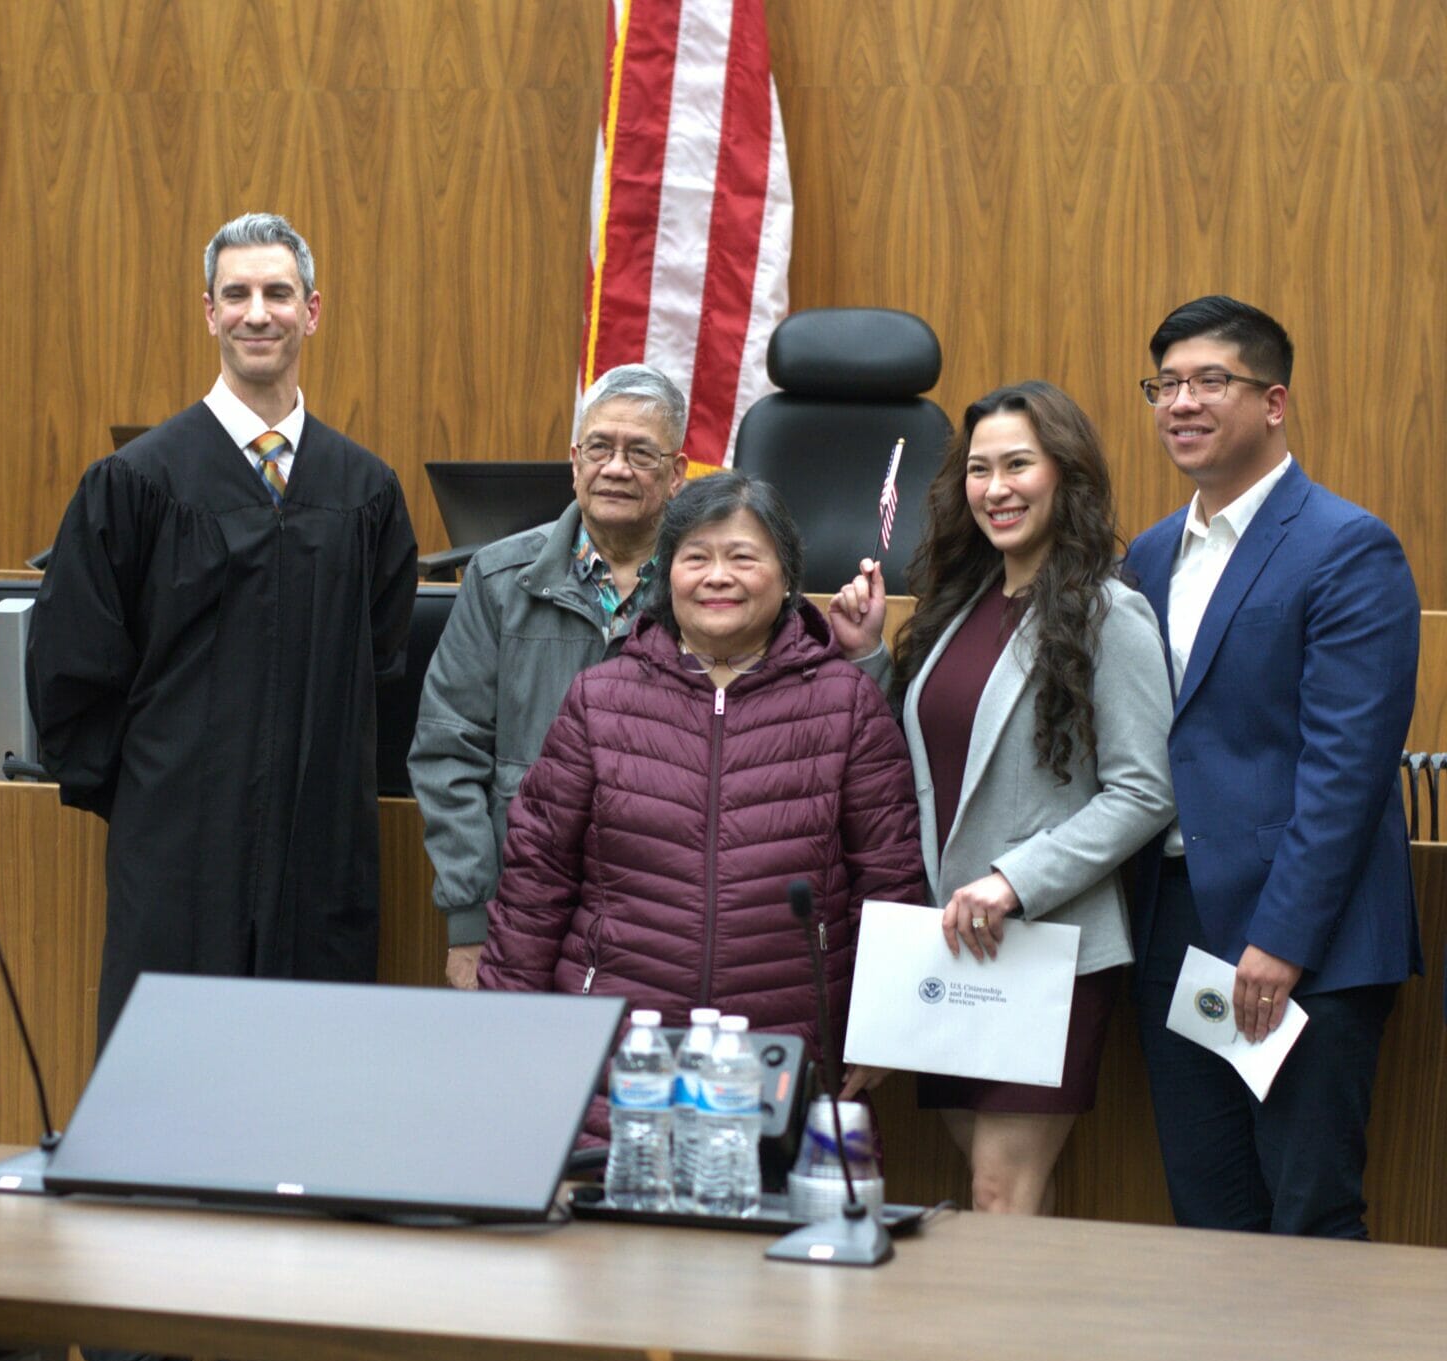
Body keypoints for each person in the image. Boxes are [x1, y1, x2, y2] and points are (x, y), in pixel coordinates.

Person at [27, 216, 414, 1361]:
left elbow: (383, 667)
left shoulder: (363, 490)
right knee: (161, 1114)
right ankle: (139, 1351)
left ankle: (285, 1359)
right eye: (235, 293)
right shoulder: (137, 483)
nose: (257, 312)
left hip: (317, 862)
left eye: (278, 292)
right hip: (176, 865)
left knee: (302, 1119)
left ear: (313, 310)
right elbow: (71, 685)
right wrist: (166, 808)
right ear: (206, 312)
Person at [477, 470, 924, 1138]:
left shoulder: (846, 704)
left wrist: (882, 1028)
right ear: (668, 575)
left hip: (788, 1055)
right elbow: (535, 879)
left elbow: (891, 879)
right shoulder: (600, 699)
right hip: (616, 1055)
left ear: (786, 575)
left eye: (744, 556)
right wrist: (510, 1022)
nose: (719, 575)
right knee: (610, 1239)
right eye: (697, 557)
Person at [828, 380, 1176, 1215]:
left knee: (997, 1192)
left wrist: (1017, 879)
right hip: (950, 945)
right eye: (980, 469)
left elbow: (1146, 790)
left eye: (1019, 463)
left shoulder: (1110, 613)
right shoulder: (961, 605)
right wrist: (869, 656)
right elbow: (922, 758)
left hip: (1048, 945)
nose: (997, 487)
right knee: (992, 1196)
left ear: (1065, 475)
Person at [1122, 296, 1420, 1238]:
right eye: (1165, 384)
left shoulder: (1347, 546)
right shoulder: (1150, 554)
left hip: (1306, 943)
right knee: (1211, 1215)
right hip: (1181, 927)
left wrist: (1282, 940)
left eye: (1211, 380)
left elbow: (1346, 770)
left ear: (1274, 400)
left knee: (1306, 1217)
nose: (1182, 402)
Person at [409, 362, 686, 990]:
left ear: (676, 474)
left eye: (641, 452)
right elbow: (447, 752)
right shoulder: (499, 579)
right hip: (519, 907)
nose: (615, 468)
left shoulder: (706, 588)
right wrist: (468, 922)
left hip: (664, 918)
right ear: (573, 460)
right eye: (600, 447)